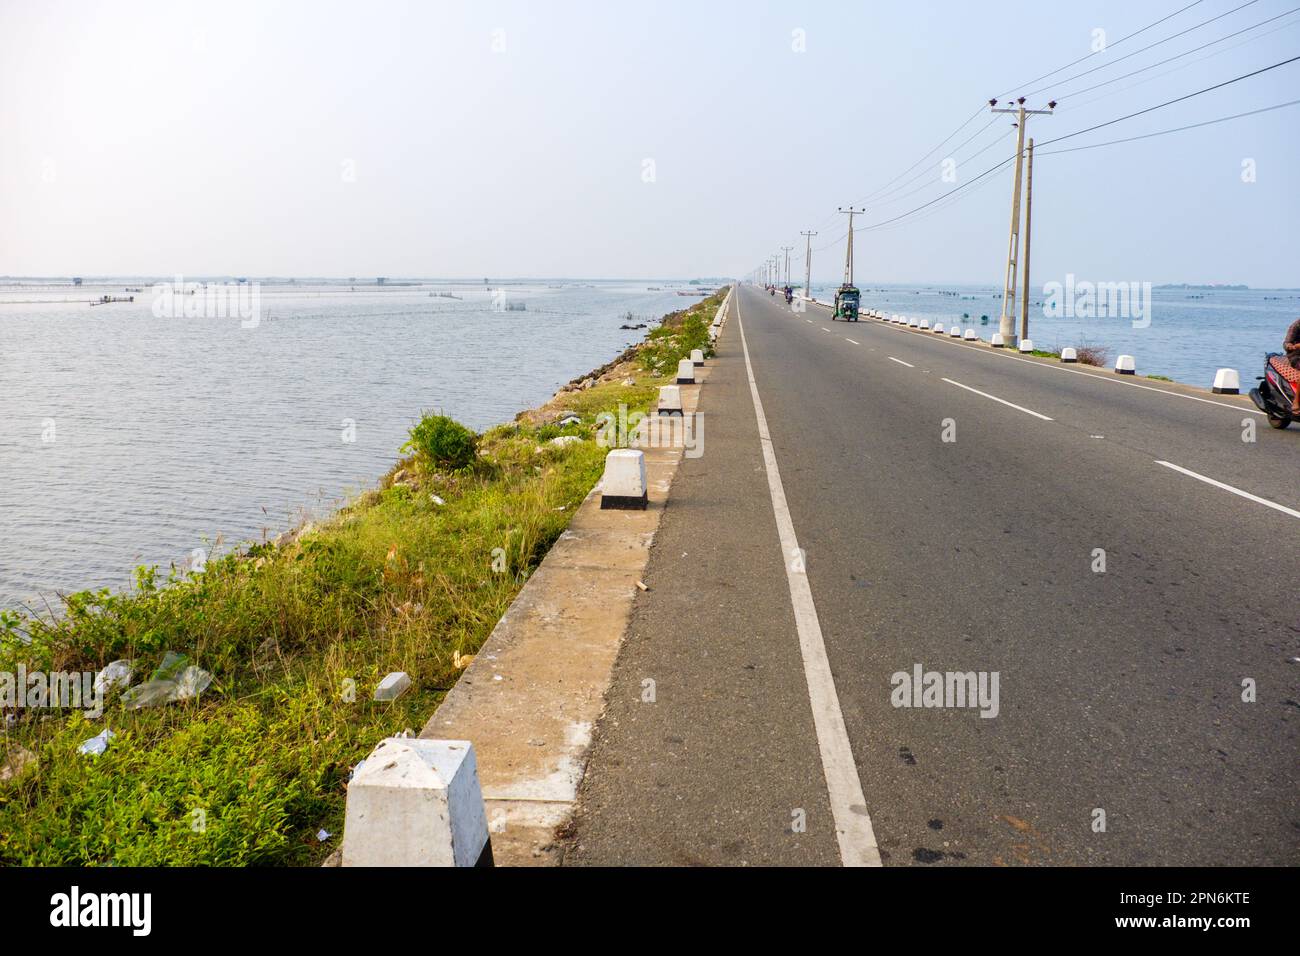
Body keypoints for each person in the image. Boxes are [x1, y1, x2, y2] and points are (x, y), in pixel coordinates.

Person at [1281, 316, 1300, 416]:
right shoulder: (1296, 325)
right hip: (1296, 355)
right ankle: (1296, 402)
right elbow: (1286, 343)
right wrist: (1291, 346)